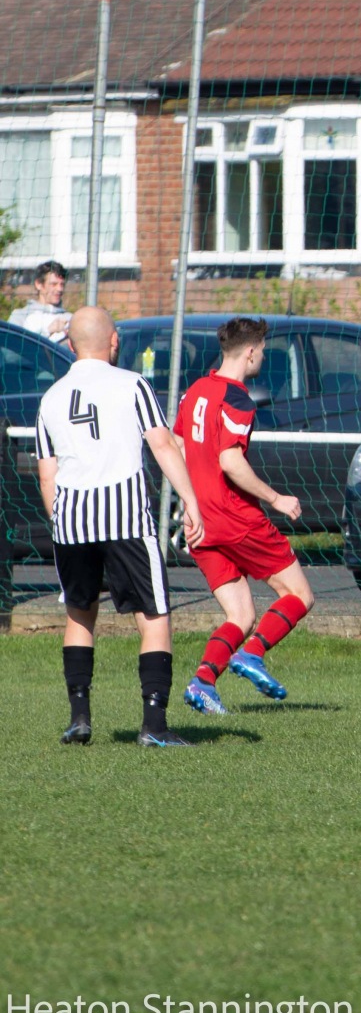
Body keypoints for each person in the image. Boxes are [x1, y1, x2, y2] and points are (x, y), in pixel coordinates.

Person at [35, 306, 204, 747]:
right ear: (113, 342)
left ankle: (79, 719)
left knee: (79, 612)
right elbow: (162, 444)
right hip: (125, 518)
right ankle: (154, 726)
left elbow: (46, 473)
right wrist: (190, 501)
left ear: (70, 345)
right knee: (154, 617)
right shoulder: (133, 385)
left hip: (71, 522)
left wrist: (63, 521)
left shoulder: (50, 398)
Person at [175, 318, 317, 714]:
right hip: (235, 517)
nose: (263, 356)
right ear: (251, 351)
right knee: (299, 595)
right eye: (264, 349)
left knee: (240, 614)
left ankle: (203, 682)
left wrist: (189, 503)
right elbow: (230, 461)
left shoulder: (195, 392)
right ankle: (251, 655)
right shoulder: (237, 399)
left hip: (200, 522)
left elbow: (178, 446)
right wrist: (276, 499)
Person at [10, 260, 71, 346]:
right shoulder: (20, 316)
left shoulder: (70, 319)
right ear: (38, 284)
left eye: (62, 284)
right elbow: (11, 352)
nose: (59, 289)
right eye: (53, 284)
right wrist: (47, 331)